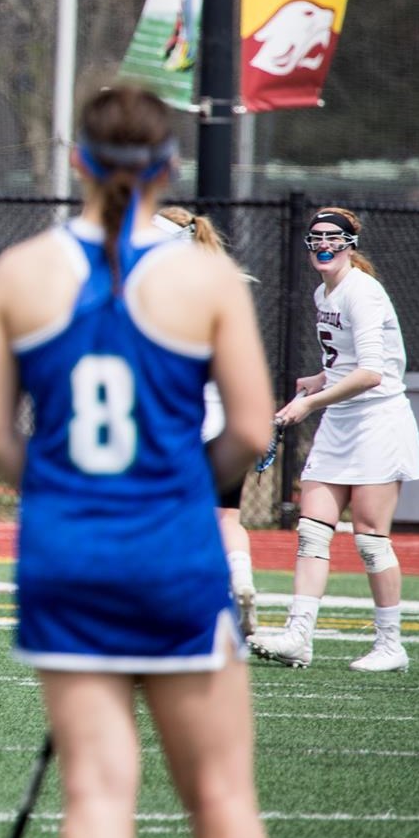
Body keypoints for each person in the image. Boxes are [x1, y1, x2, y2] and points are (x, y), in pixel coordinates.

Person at [0, 86, 281, 838]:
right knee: (220, 796)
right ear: (169, 167)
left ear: (78, 161)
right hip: (173, 554)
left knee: (97, 793)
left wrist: (67, 489)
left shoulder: (21, 272)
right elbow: (251, 430)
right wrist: (172, 487)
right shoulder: (207, 279)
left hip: (68, 556)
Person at [249, 207, 419, 674]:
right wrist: (319, 379)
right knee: (311, 531)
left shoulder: (362, 292)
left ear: (350, 243)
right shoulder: (322, 291)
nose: (323, 244)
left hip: (378, 421)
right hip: (340, 421)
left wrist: (310, 403)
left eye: (333, 237)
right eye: (316, 237)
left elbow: (371, 373)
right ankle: (298, 637)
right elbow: (347, 363)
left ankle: (390, 645)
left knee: (370, 539)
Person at [155, 206, 258, 635]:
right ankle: (241, 578)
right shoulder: (228, 285)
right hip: (227, 422)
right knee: (227, 519)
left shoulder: (158, 290)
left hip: (184, 422)